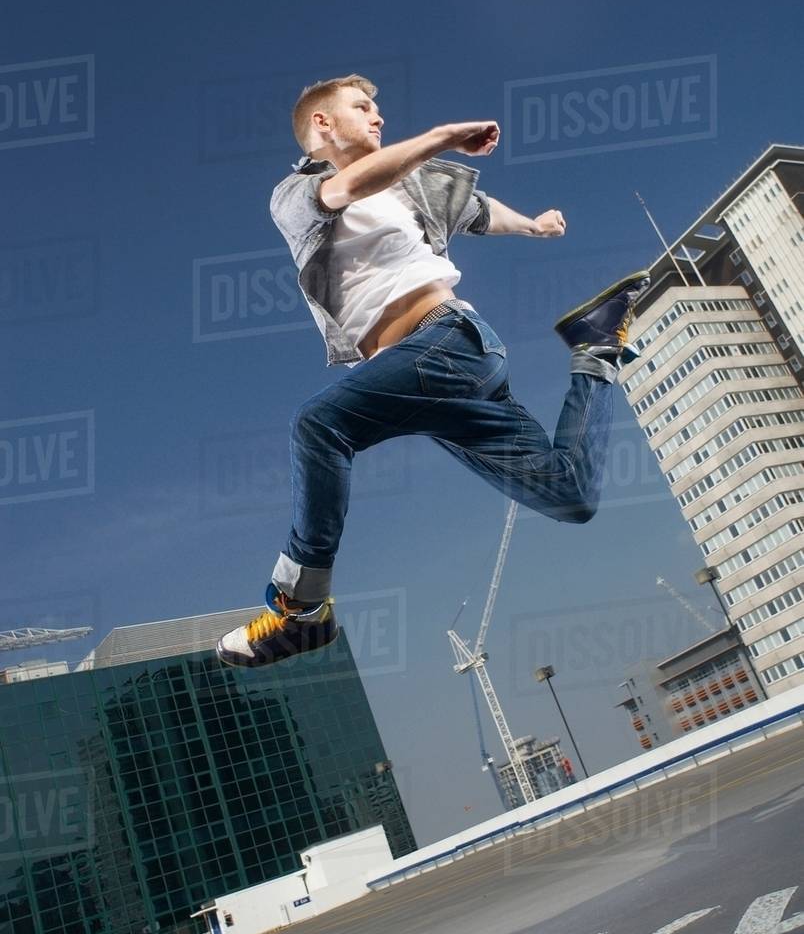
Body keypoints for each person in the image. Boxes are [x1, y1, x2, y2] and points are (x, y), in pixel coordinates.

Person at [216, 74, 650, 669]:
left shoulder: (411, 184)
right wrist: (442, 137)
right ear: (322, 125)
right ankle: (596, 348)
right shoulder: (295, 192)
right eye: (363, 108)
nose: (378, 118)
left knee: (320, 426)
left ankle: (301, 610)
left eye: (379, 109)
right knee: (569, 495)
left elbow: (475, 210)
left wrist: (535, 226)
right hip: (434, 382)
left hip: (448, 345)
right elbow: (347, 187)